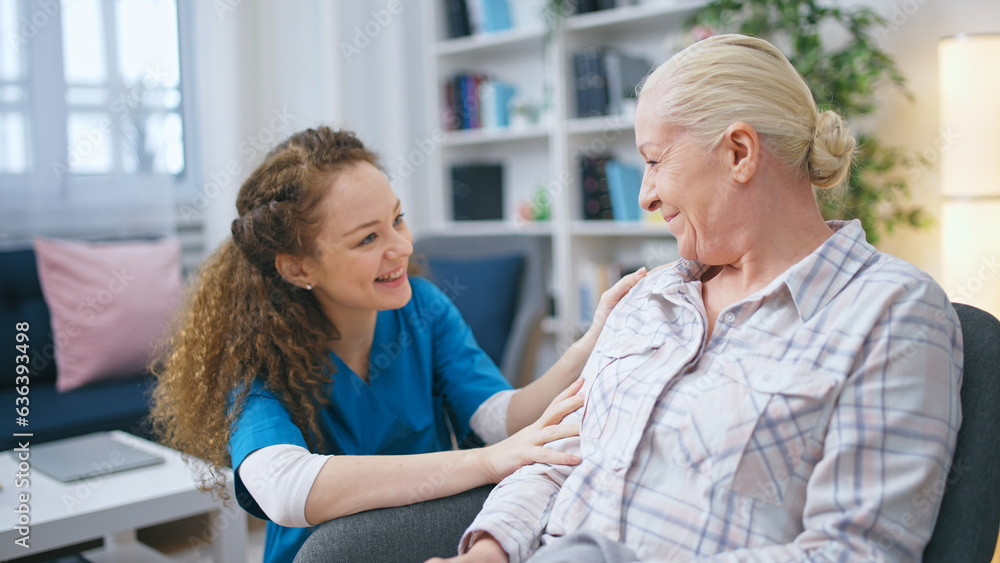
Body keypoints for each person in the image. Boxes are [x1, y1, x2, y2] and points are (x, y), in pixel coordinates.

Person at [444, 34, 963, 563]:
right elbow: (553, 456)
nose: (645, 194)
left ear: (739, 153)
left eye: (654, 160)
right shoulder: (650, 296)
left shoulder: (892, 312)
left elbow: (855, 551)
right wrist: (486, 552)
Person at [148, 126, 645, 562]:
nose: (403, 247)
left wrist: (587, 346)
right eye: (368, 239)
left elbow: (497, 417)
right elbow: (282, 486)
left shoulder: (421, 308)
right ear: (299, 267)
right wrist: (485, 462)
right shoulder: (255, 354)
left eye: (398, 219)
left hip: (431, 533)